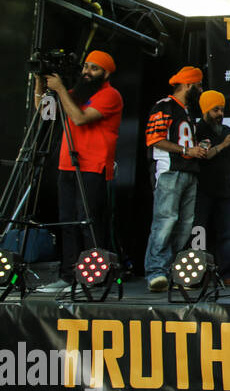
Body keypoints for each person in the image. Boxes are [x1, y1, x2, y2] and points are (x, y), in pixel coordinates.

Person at [33, 50, 123, 293]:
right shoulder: (76, 94)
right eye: (86, 67)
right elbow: (44, 111)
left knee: (88, 222)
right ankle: (68, 276)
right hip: (67, 165)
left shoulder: (110, 95)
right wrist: (41, 81)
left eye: (94, 68)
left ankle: (93, 277)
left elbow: (81, 118)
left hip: (93, 166)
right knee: (67, 222)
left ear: (105, 73)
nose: (87, 72)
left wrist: (61, 89)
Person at [143, 65, 205, 291]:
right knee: (165, 221)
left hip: (189, 172)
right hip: (169, 170)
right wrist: (187, 151)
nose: (200, 89)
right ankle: (155, 272)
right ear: (188, 84)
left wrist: (197, 149)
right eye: (198, 85)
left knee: (185, 225)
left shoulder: (188, 111)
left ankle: (174, 271)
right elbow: (155, 139)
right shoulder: (165, 106)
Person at [193, 90, 230, 286]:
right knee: (199, 232)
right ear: (206, 110)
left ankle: (225, 274)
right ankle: (198, 272)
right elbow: (204, 155)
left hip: (225, 190)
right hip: (203, 190)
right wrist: (223, 144)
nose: (219, 114)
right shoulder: (198, 129)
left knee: (227, 234)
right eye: (215, 109)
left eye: (222, 109)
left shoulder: (226, 129)